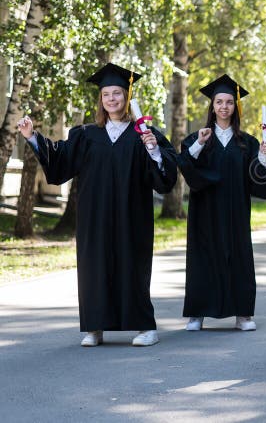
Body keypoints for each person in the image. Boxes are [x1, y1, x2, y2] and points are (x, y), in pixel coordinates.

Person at [17, 63, 178, 347]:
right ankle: (95, 327)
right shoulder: (87, 134)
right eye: (106, 94)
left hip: (133, 215)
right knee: (95, 266)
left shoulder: (144, 135)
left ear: (127, 97)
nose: (112, 99)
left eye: (117, 93)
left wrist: (153, 150)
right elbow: (60, 160)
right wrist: (32, 137)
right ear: (101, 100)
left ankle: (144, 327)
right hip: (96, 215)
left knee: (133, 267)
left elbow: (165, 178)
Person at [178, 74, 266, 332]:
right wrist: (198, 146)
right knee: (203, 259)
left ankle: (243, 314)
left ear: (235, 107)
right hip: (205, 210)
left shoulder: (247, 142)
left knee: (238, 258)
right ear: (212, 106)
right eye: (219, 102)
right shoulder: (199, 138)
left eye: (229, 102)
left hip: (236, 210)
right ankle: (197, 314)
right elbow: (184, 166)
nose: (224, 107)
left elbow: (260, 180)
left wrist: (262, 159)